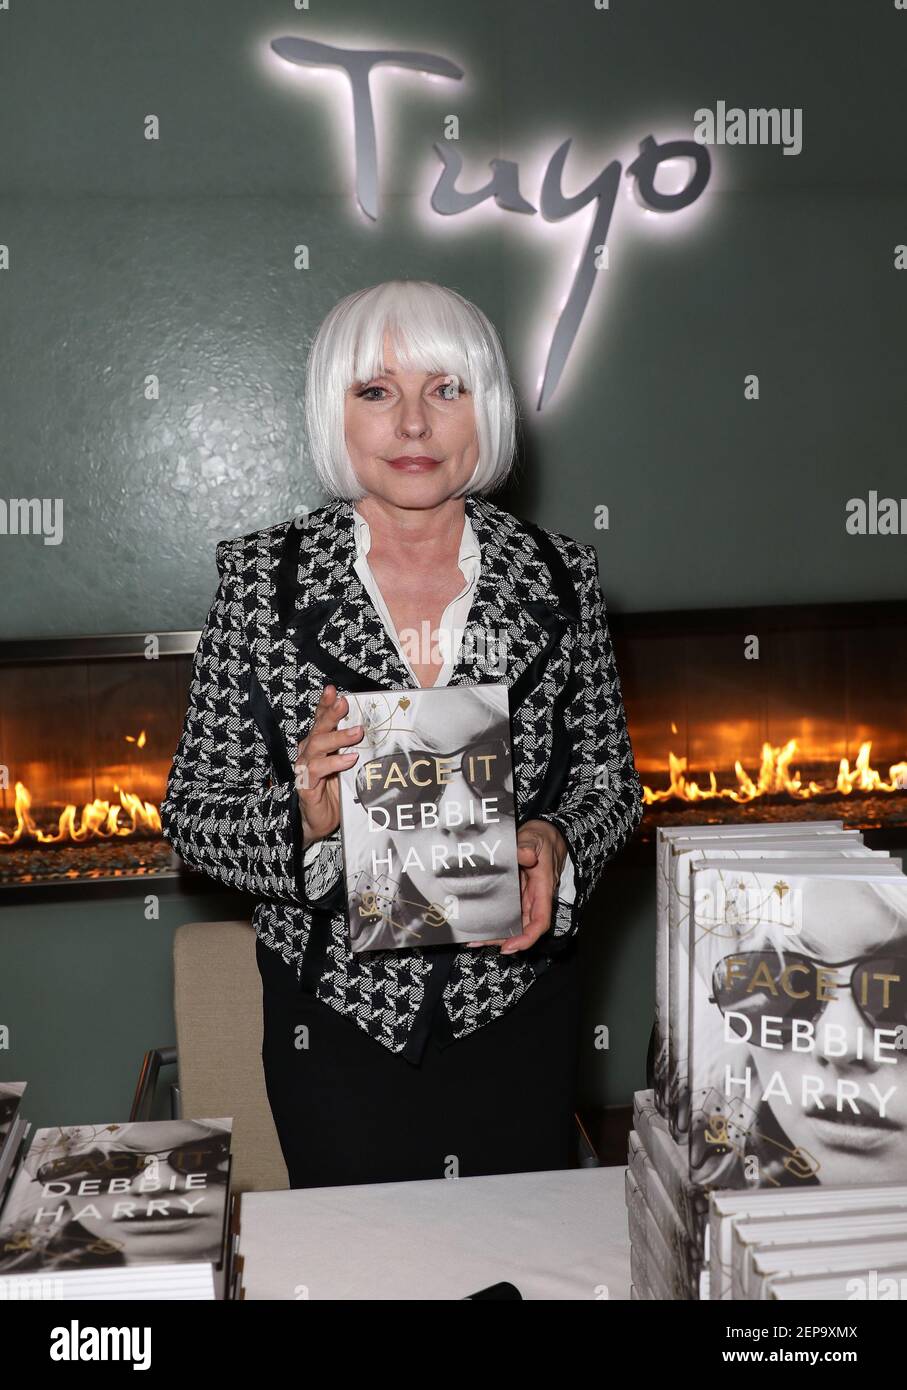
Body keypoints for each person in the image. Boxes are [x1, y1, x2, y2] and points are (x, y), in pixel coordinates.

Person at [161, 279, 643, 1188]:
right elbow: (192, 816)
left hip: (517, 1000)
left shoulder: (559, 575)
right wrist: (302, 816)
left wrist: (556, 838)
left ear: (486, 410)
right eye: (376, 392)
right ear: (333, 414)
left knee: (520, 1264)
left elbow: (611, 789)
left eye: (445, 389)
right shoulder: (261, 580)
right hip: (335, 1017)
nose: (413, 425)